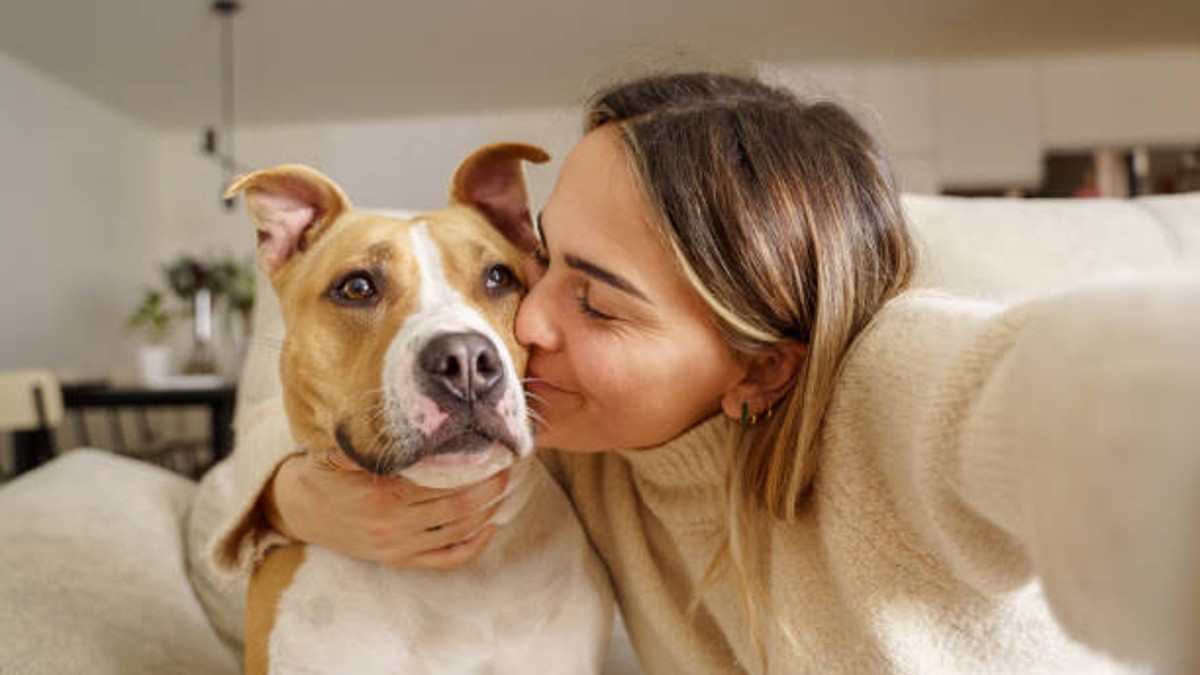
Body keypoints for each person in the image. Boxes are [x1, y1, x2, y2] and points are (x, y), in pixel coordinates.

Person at [204, 72, 1200, 674]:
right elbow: (266, 444)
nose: (522, 331)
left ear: (760, 368)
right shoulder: (564, 433)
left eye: (596, 301)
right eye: (539, 263)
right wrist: (295, 497)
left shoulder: (887, 384)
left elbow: (1045, 387)